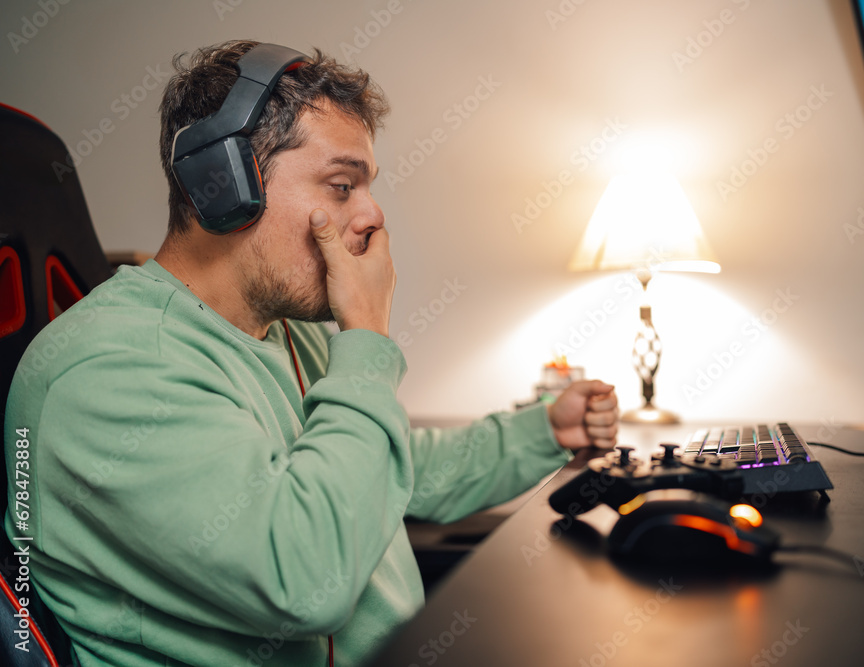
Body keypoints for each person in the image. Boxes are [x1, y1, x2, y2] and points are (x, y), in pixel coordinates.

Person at [4, 39, 618, 667]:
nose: (373, 216)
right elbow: (305, 579)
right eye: (341, 185)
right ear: (223, 183)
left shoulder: (288, 334)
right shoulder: (112, 370)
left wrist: (544, 429)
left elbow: (393, 468)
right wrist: (367, 338)